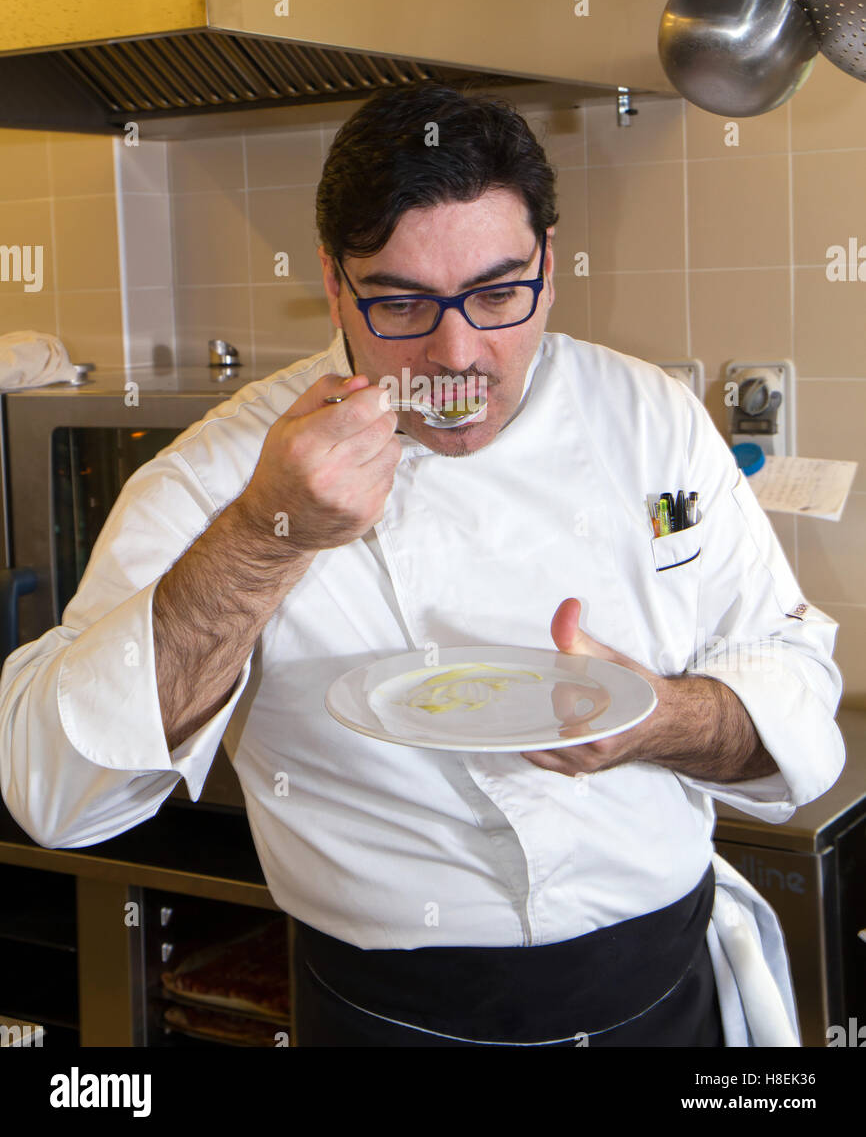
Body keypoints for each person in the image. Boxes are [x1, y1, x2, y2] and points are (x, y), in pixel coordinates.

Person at [0, 84, 844, 1048]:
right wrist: (269, 536)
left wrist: (659, 719)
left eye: (496, 294)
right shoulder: (225, 475)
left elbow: (795, 679)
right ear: (333, 281)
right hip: (388, 1019)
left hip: (663, 999)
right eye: (401, 302)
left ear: (551, 267)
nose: (457, 355)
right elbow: (56, 793)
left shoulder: (648, 417)